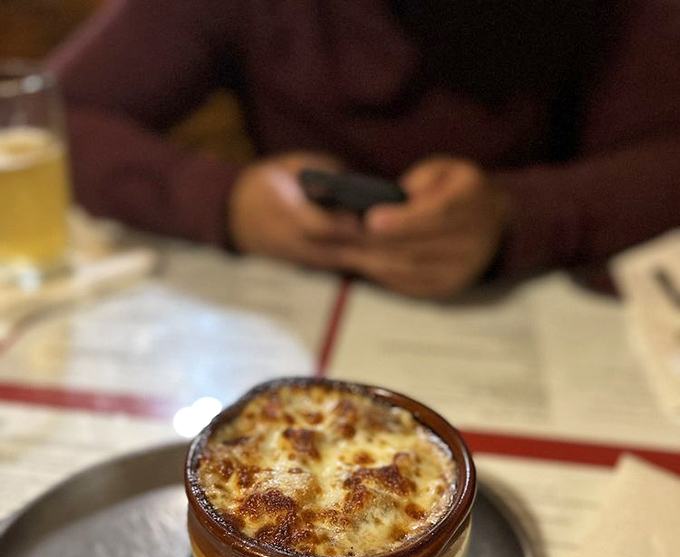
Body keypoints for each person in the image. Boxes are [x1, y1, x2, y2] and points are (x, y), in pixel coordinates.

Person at [48, 0, 680, 299]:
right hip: (298, 321)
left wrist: (514, 217)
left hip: (544, 329)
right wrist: (229, 201)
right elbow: (44, 119)